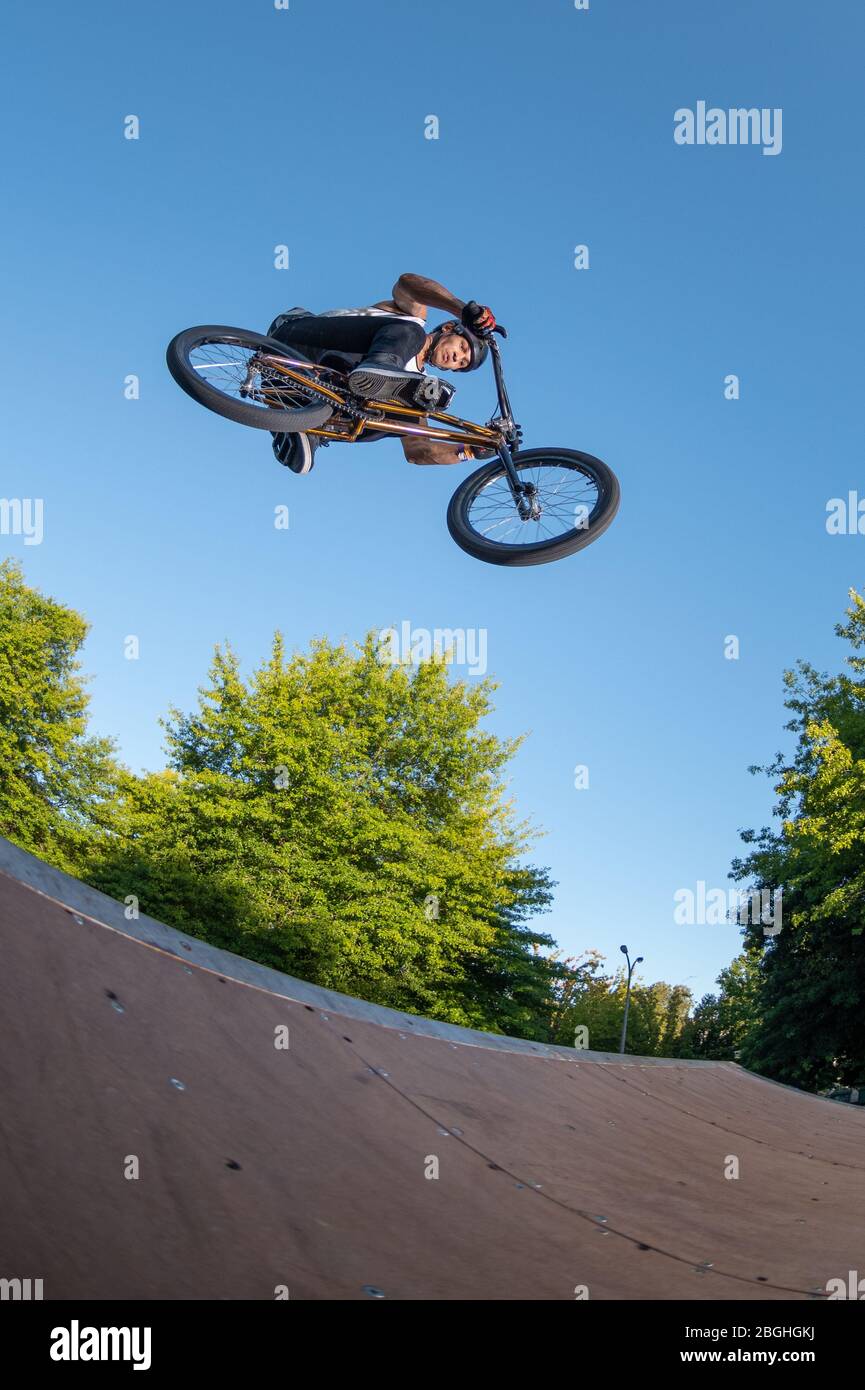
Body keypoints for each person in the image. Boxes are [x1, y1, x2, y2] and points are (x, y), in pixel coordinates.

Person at [266, 273, 497, 474]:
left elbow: (419, 451)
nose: (458, 358)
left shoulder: (413, 392)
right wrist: (462, 310)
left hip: (294, 391)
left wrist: (469, 450)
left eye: (462, 363)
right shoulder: (411, 318)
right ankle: (378, 363)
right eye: (462, 347)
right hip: (298, 339)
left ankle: (311, 430)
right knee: (414, 332)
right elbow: (407, 284)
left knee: (406, 413)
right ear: (447, 329)